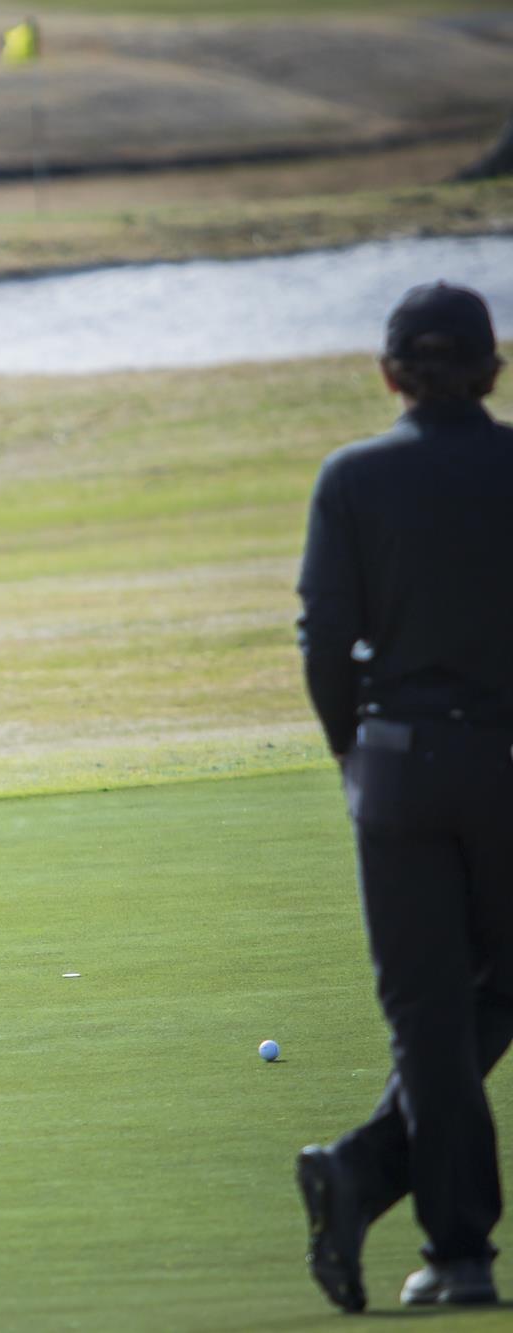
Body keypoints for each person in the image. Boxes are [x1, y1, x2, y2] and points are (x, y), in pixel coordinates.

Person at [294, 282, 513, 1311]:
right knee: (488, 992)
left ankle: (441, 1239)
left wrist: (355, 757)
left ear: (388, 375)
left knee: (426, 1012)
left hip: (394, 765)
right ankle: (399, 1197)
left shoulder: (350, 477)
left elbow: (323, 636)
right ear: (491, 370)